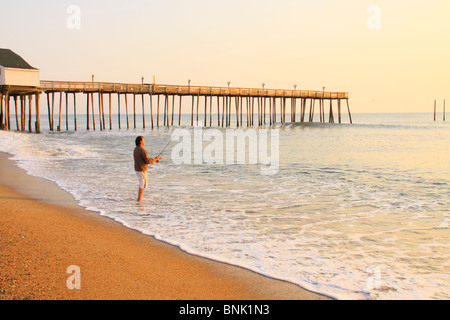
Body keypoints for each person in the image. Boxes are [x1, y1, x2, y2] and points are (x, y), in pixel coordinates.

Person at [134, 136, 161, 202]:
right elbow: (147, 161)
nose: (144, 141)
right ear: (141, 141)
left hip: (138, 169)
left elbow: (145, 160)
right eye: (143, 140)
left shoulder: (136, 149)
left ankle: (139, 198)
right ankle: (139, 200)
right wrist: (155, 160)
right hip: (141, 169)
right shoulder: (143, 150)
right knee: (142, 185)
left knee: (141, 184)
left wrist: (154, 159)